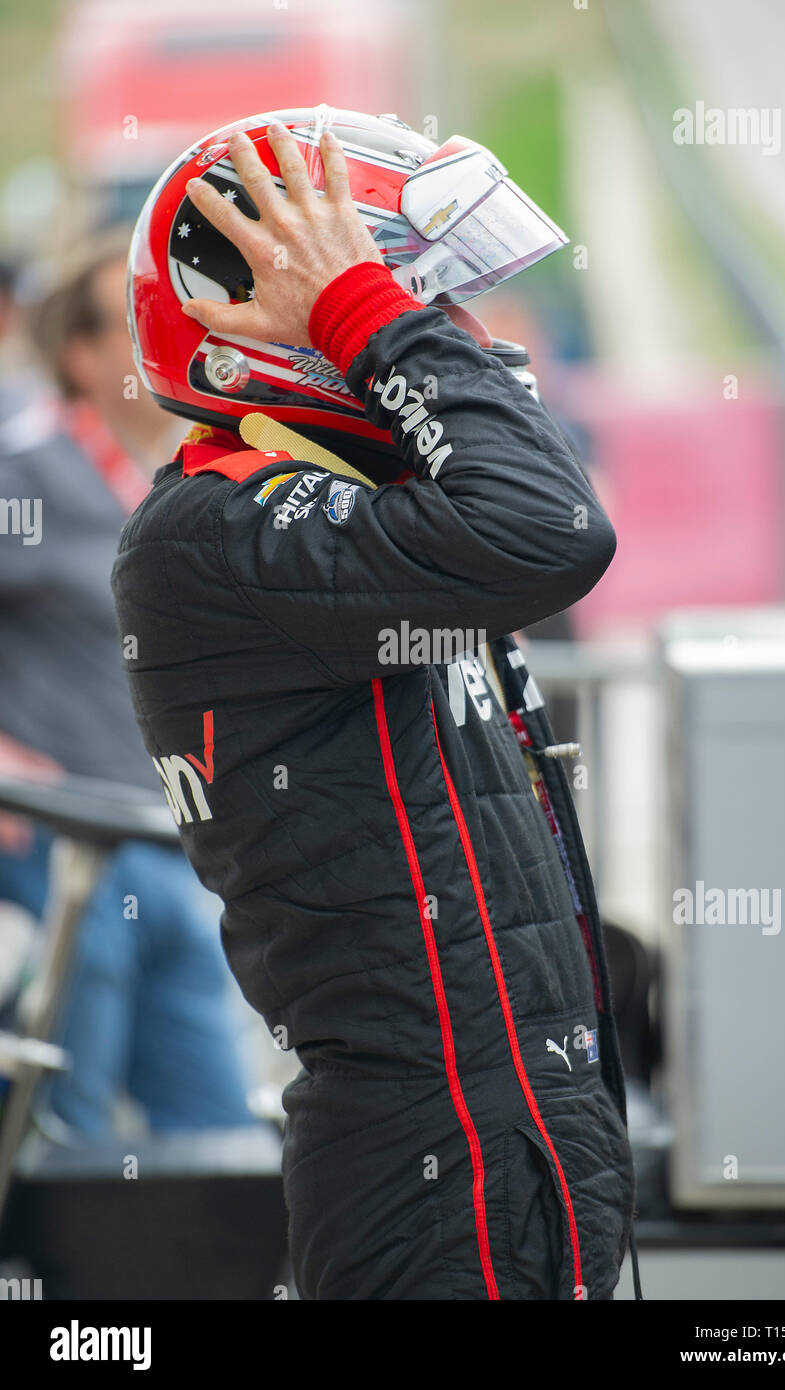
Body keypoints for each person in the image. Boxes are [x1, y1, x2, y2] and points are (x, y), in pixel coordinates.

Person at [112, 106, 636, 1298]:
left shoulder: (362, 522)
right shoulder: (210, 532)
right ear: (263, 321)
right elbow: (550, 528)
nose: (452, 335)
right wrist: (362, 308)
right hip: (434, 1164)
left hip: (518, 1140)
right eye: (410, 298)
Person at [0, 230, 255, 1136]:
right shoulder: (23, 473)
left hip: (168, 848)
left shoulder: (175, 477)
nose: (177, 340)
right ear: (80, 353)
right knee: (67, 1137)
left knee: (218, 1136)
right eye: (145, 321)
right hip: (61, 853)